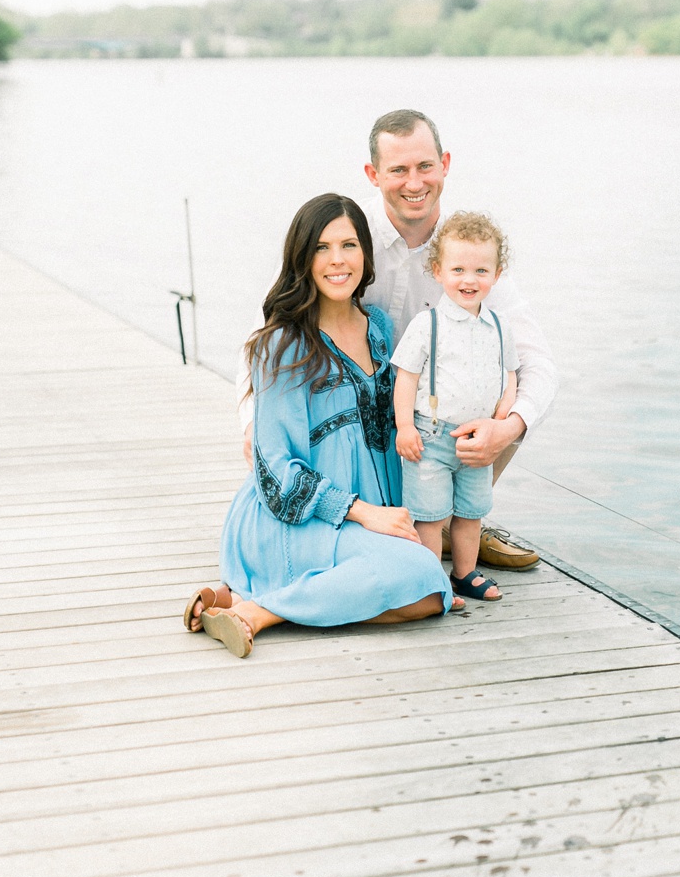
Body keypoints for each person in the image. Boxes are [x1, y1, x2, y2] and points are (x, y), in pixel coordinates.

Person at [238, 109, 558, 570]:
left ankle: (458, 523)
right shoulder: (344, 237)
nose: (414, 182)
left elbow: (540, 364)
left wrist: (507, 429)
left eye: (425, 166)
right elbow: (263, 332)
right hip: (357, 423)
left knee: (505, 397)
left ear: (445, 164)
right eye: (398, 170)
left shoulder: (468, 254)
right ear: (373, 174)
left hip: (441, 426)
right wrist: (252, 423)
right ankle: (384, 524)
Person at [186, 193, 453, 657]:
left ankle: (242, 599)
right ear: (302, 258)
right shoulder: (283, 345)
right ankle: (259, 612)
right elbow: (274, 472)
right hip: (292, 518)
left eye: (349, 245)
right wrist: (365, 512)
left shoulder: (381, 330)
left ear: (365, 254)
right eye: (321, 248)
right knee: (425, 583)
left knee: (430, 585)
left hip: (370, 517)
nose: (337, 261)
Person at [392, 211, 519, 602]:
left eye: (481, 270)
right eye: (458, 269)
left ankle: (464, 573)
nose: (469, 280)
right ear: (438, 271)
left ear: (497, 274)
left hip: (476, 441)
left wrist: (501, 416)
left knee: (470, 512)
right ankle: (430, 580)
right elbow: (407, 378)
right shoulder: (427, 324)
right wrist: (405, 428)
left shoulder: (499, 326)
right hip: (430, 437)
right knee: (430, 517)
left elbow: (510, 373)